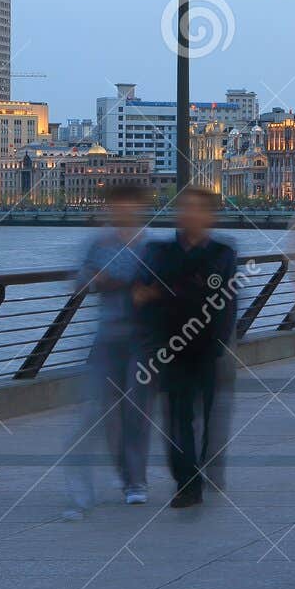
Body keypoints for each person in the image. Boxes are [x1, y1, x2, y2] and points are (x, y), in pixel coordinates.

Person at [134, 187, 238, 509]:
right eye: (185, 208)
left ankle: (204, 468)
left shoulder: (223, 253)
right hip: (171, 347)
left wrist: (220, 341)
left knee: (206, 417)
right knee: (178, 417)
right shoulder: (159, 252)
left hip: (207, 348)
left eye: (197, 209)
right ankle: (187, 483)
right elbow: (140, 293)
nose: (190, 214)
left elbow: (226, 302)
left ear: (209, 216)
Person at [64, 182, 152, 517]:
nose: (124, 212)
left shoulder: (152, 248)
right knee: (108, 412)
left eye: (131, 206)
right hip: (107, 338)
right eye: (118, 207)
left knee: (138, 411)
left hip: (144, 340)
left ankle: (136, 482)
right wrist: (99, 280)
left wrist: (119, 282)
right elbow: (80, 285)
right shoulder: (98, 245)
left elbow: (159, 288)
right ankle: (124, 476)